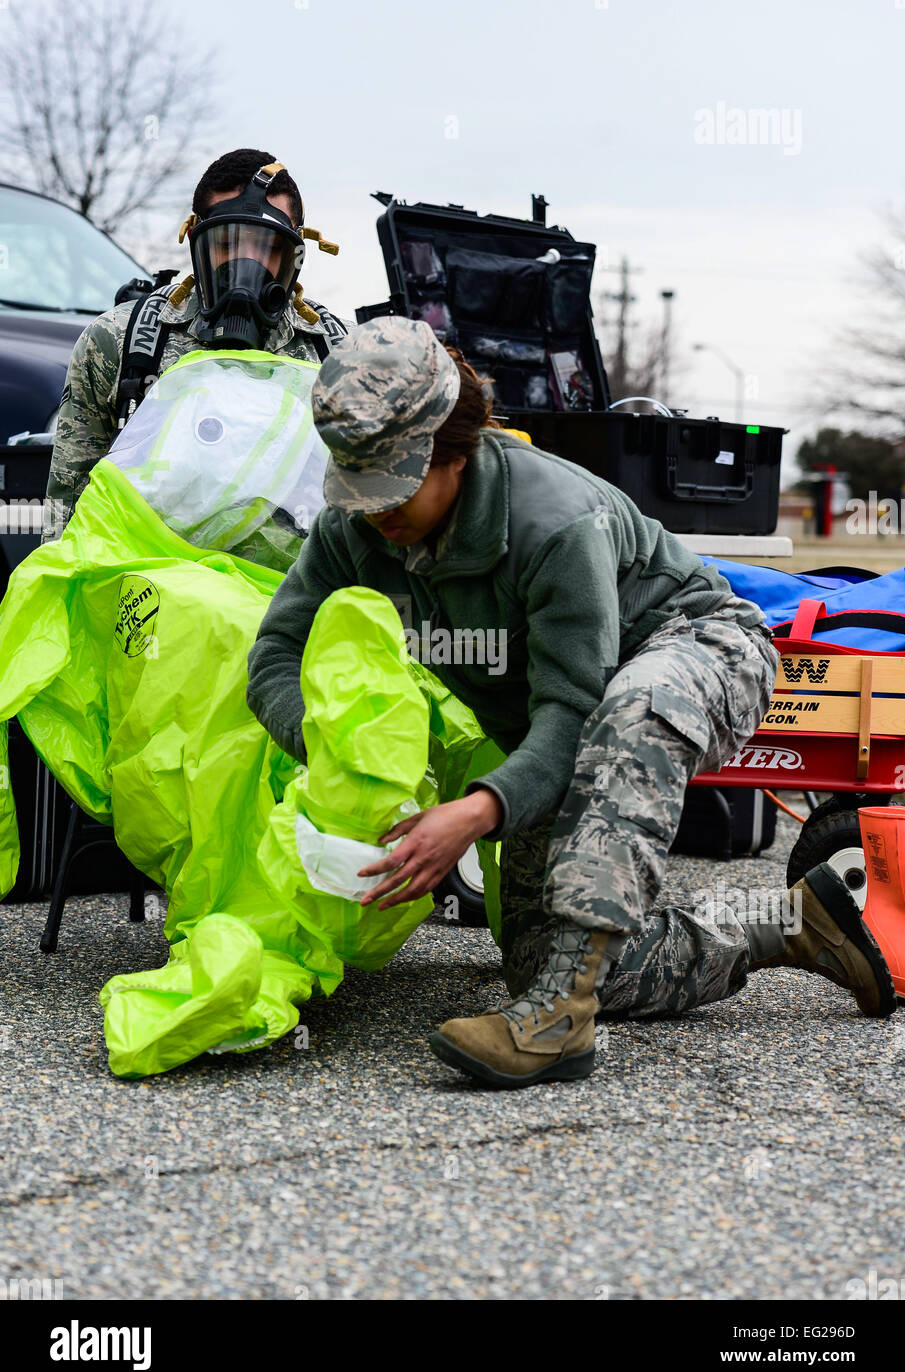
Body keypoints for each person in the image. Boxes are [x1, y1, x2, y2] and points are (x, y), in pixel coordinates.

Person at [246, 317, 896, 1089]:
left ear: (452, 450)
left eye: (394, 482)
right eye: (357, 484)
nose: (374, 509)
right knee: (553, 961)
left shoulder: (553, 520)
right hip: (569, 724)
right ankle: (797, 925)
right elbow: (273, 657)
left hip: (697, 652)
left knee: (632, 709)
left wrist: (476, 812)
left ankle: (559, 1023)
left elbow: (573, 709)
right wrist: (327, 742)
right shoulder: (355, 527)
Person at [43, 148, 347, 542]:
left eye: (268, 248)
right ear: (196, 242)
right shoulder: (119, 341)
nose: (246, 264)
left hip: (285, 597)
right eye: (226, 245)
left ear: (294, 255)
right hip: (147, 594)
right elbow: (64, 516)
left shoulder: (339, 355)